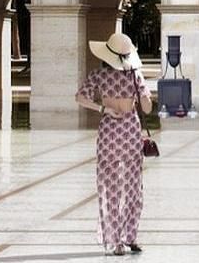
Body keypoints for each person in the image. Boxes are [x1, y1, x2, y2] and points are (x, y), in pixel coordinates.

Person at [75, 32, 153, 256]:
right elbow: (147, 108)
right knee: (132, 186)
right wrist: (143, 95)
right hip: (130, 131)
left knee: (109, 186)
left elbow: (80, 97)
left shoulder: (98, 75)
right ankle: (131, 236)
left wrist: (103, 108)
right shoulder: (134, 76)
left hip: (109, 131)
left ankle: (114, 240)